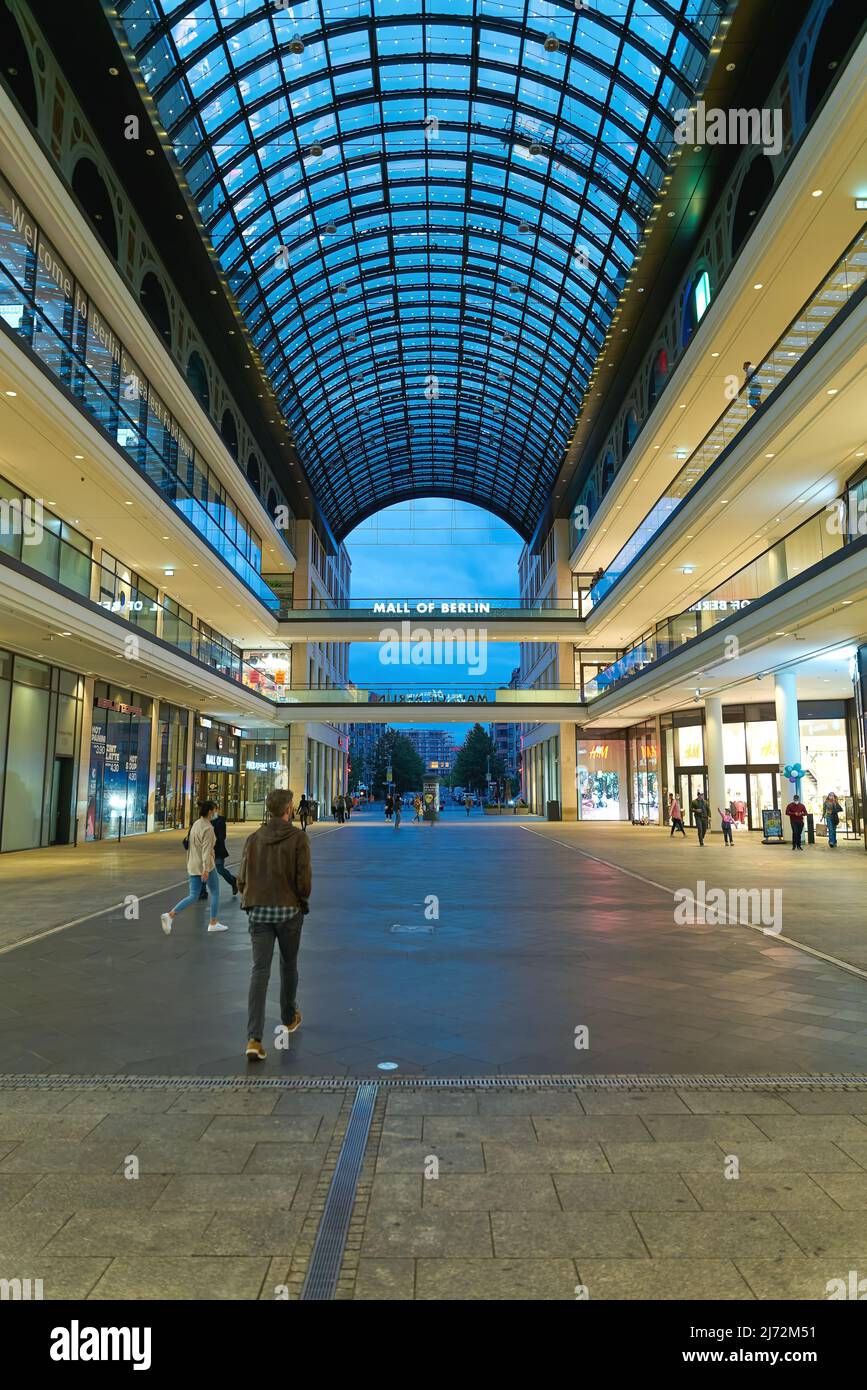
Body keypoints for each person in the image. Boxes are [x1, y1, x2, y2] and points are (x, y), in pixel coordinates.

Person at [238, 787, 312, 1062]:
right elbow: (303, 879)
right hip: (288, 911)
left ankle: (254, 1038)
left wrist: (250, 896)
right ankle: (288, 1016)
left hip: (258, 912)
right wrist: (301, 900)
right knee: (288, 964)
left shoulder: (253, 838)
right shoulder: (298, 838)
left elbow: (242, 877)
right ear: (288, 809)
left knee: (259, 971)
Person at [161, 801, 227, 935]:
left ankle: (170, 915)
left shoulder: (196, 824)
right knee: (215, 892)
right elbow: (206, 850)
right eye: (215, 810)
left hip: (192, 864)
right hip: (205, 865)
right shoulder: (208, 828)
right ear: (210, 811)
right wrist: (206, 869)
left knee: (193, 895)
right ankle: (213, 922)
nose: (216, 813)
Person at [212, 806, 239, 895]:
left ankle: (233, 881)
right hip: (206, 850)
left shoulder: (220, 821)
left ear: (217, 809)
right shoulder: (205, 821)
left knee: (220, 869)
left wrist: (213, 842)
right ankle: (202, 891)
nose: (212, 812)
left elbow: (222, 837)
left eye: (214, 809)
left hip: (218, 849)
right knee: (204, 870)